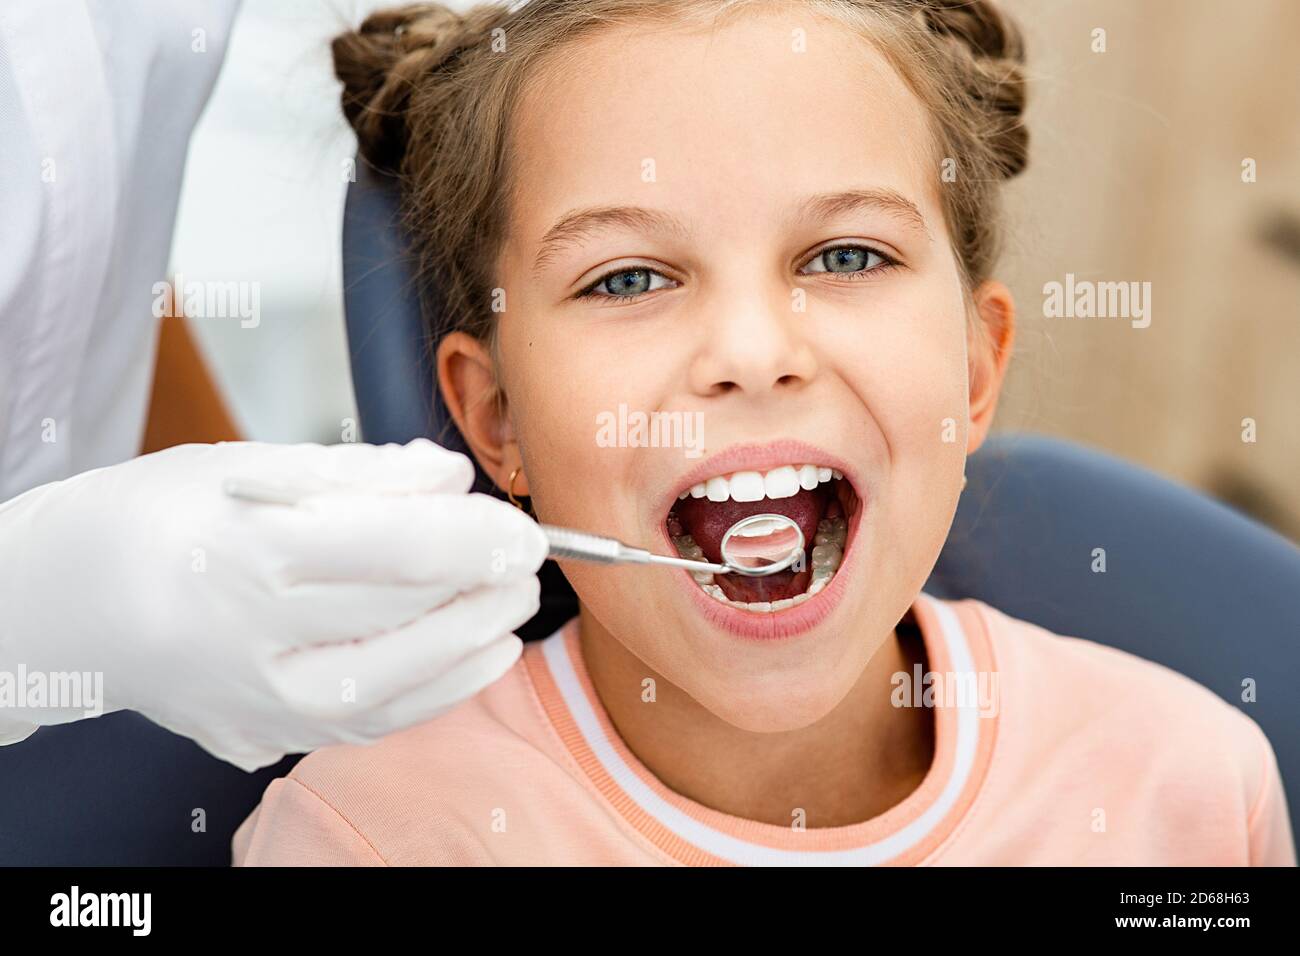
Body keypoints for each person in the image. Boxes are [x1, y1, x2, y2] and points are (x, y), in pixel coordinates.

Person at [233, 0, 1295, 865]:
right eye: (629, 278)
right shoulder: (372, 839)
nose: (751, 349)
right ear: (496, 419)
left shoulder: (1188, 789)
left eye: (845, 256)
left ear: (974, 373)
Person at [0, 0, 547, 772]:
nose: (729, 354)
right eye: (629, 280)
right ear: (496, 414)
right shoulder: (368, 819)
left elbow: (79, 245)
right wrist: (31, 611)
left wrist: (242, 523)